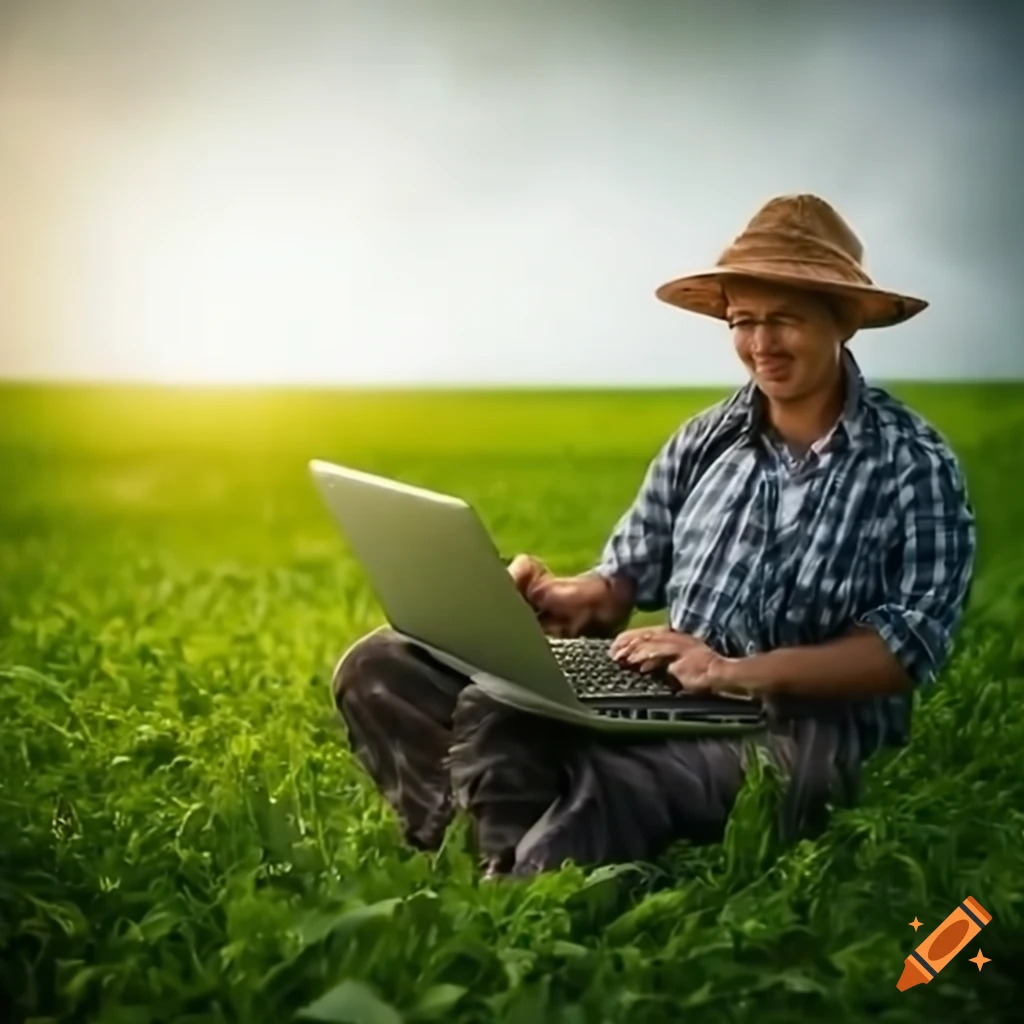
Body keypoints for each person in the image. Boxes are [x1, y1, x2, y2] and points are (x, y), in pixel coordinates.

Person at [332, 194, 977, 879]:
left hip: (799, 727)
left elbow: (904, 647)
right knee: (382, 664)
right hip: (670, 689)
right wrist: (559, 597)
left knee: (602, 770)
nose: (760, 345)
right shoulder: (704, 440)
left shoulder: (912, 462)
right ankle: (499, 847)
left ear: (842, 321)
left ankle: (520, 867)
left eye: (783, 320)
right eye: (743, 322)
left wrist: (732, 672)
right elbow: (621, 582)